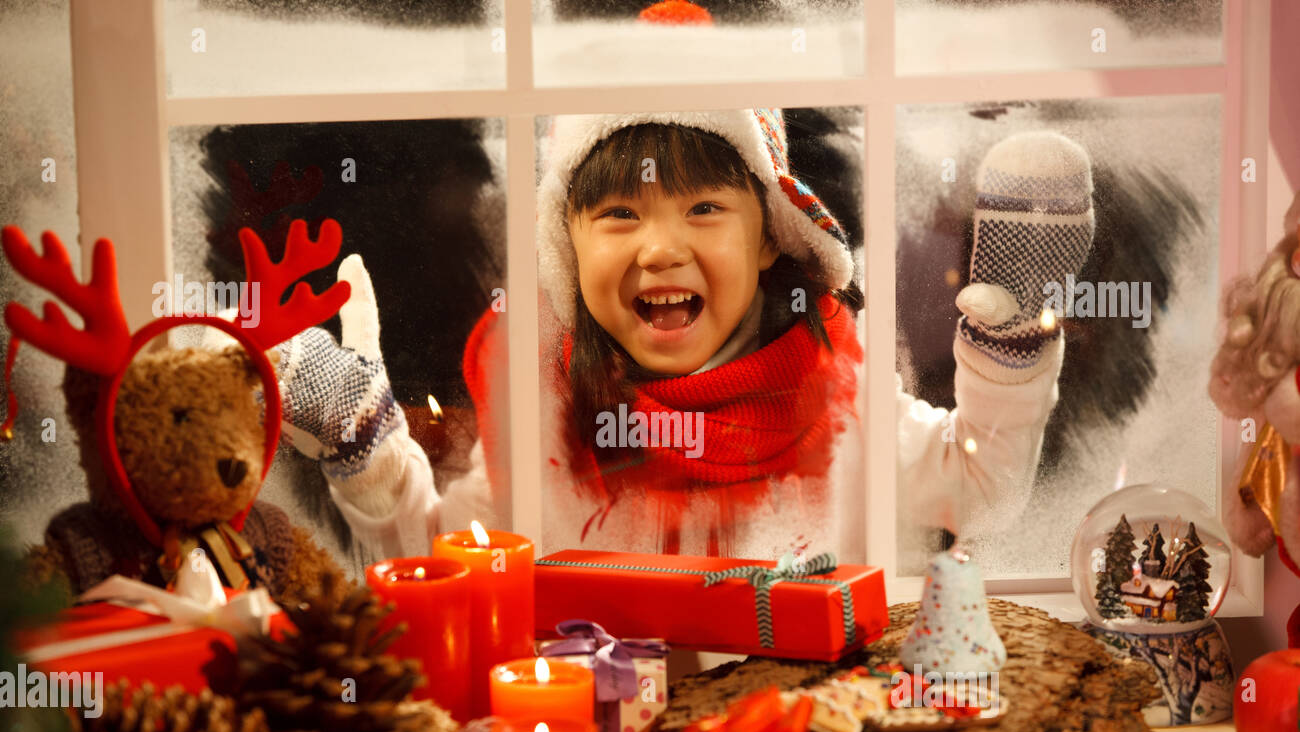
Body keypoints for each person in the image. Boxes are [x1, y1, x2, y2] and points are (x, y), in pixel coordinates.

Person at [273, 109, 1095, 564]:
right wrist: (367, 444)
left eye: (704, 209)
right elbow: (447, 566)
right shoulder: (550, 422)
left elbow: (983, 489)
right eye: (619, 216)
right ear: (570, 249)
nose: (660, 248)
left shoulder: (836, 402)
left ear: (771, 236)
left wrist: (1012, 338)